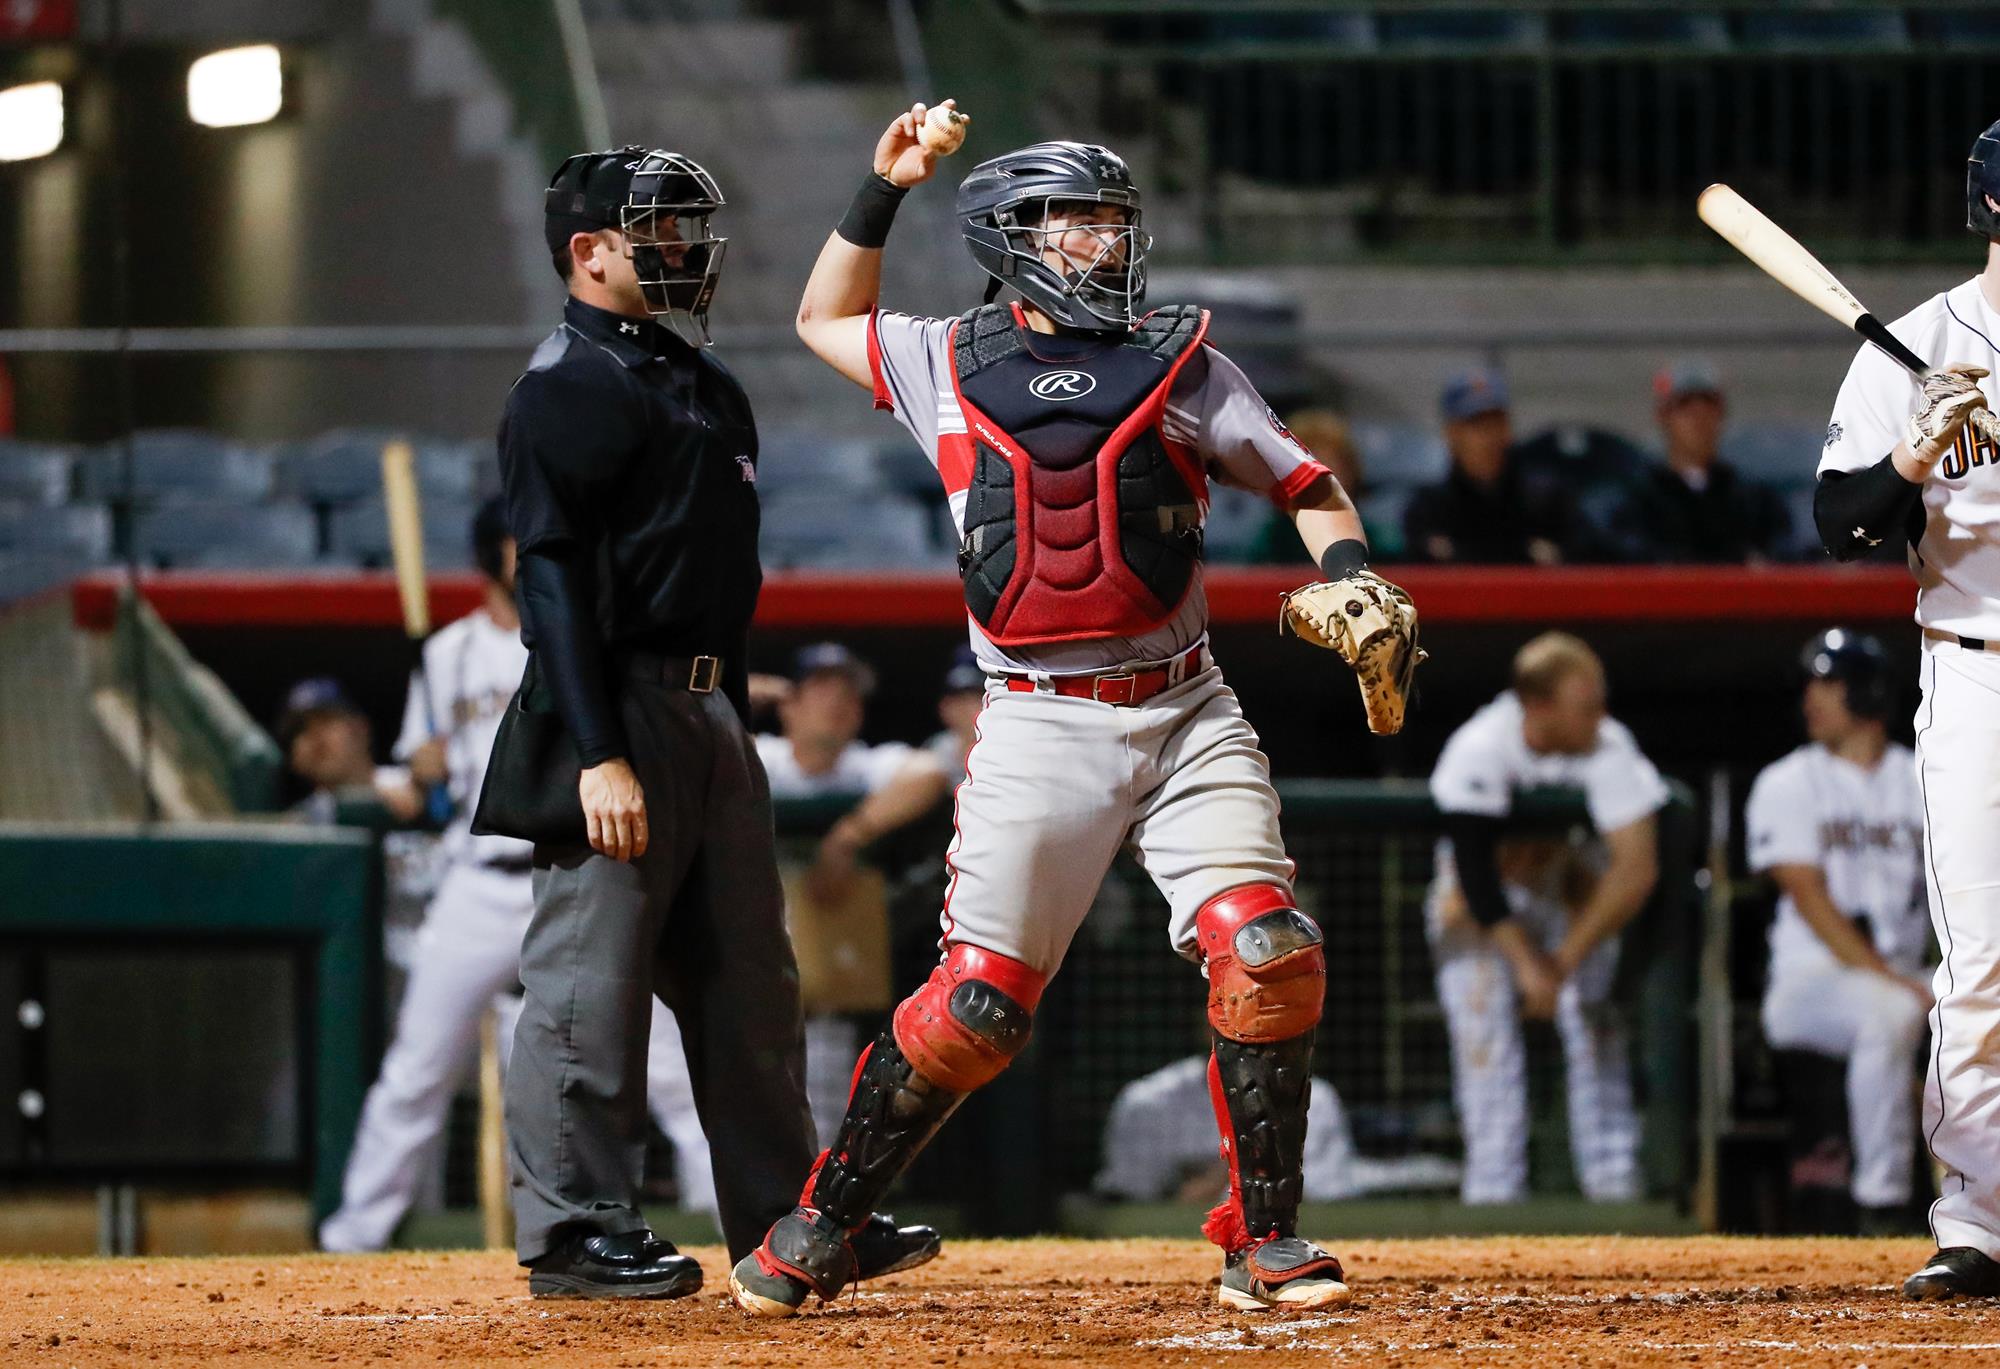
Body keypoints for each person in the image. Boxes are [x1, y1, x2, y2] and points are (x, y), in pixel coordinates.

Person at [729, 105, 1420, 1317]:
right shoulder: (945, 357)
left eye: (1113, 220)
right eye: (1078, 222)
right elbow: (821, 318)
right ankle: (819, 1225)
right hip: (1039, 717)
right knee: (976, 1009)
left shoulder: (1183, 359)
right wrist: (882, 188)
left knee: (1267, 952)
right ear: (1013, 238)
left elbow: (1306, 484)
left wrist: (1347, 572)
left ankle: (1263, 1241)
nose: (1105, 242)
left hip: (1182, 700)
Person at [487, 145, 935, 1299]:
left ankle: (792, 1223)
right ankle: (576, 1233)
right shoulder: (566, 384)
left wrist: (726, 732)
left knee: (751, 987)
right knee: (588, 988)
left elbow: (715, 584)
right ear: (589, 253)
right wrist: (598, 752)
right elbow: (550, 581)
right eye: (659, 229)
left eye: (688, 227)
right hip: (617, 704)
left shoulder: (700, 382)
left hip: (706, 708)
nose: (686, 249)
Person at [317, 502, 723, 1251]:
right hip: (478, 878)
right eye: (519, 543)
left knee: (663, 1060)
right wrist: (421, 766)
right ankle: (353, 1235)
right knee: (416, 1067)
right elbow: (421, 769)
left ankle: (734, 1219)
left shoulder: (584, 632)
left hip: (575, 870)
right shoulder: (446, 653)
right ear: (490, 555)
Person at [1815, 117, 2000, 1299]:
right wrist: (1917, 456)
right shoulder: (1921, 341)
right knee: (1982, 961)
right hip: (1977, 664)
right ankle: (1978, 1217)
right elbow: (1840, 524)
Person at [1426, 632, 1666, 1205]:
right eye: (1585, 706)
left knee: (1593, 1010)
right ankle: (1493, 1195)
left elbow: (1636, 869)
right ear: (1538, 706)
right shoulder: (1481, 745)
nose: (1599, 716)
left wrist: (1560, 963)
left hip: (1561, 905)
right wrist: (1528, 967)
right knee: (1485, 1032)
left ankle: (1615, 1188)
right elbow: (1477, 879)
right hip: (1480, 914)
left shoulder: (1608, 745)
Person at [1746, 628, 1929, 1235]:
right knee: (1888, 1014)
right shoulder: (1789, 780)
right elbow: (1811, 900)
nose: (1811, 698)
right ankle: (1883, 1205)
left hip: (1904, 972)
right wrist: (1902, 986)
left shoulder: (1924, 777)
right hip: (1813, 982)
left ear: (1868, 694)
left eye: (1830, 683)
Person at [753, 641, 914, 1144]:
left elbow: (931, 773)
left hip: (824, 995)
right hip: (743, 979)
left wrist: (847, 836)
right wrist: (773, 689)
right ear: (789, 704)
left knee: (822, 1123)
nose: (836, 703)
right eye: (820, 690)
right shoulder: (760, 757)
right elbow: (686, 710)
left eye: (848, 694)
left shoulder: (866, 769)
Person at [1402, 368, 1574, 565]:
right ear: (1452, 433)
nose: (1490, 436)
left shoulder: (1547, 503)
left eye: (1497, 422)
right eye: (1477, 424)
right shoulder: (1428, 511)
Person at [1639, 361, 1790, 562]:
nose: (1699, 418)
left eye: (1708, 406)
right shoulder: (1639, 500)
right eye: (1685, 406)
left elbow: (1784, 557)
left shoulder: (1751, 500)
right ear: (1663, 417)